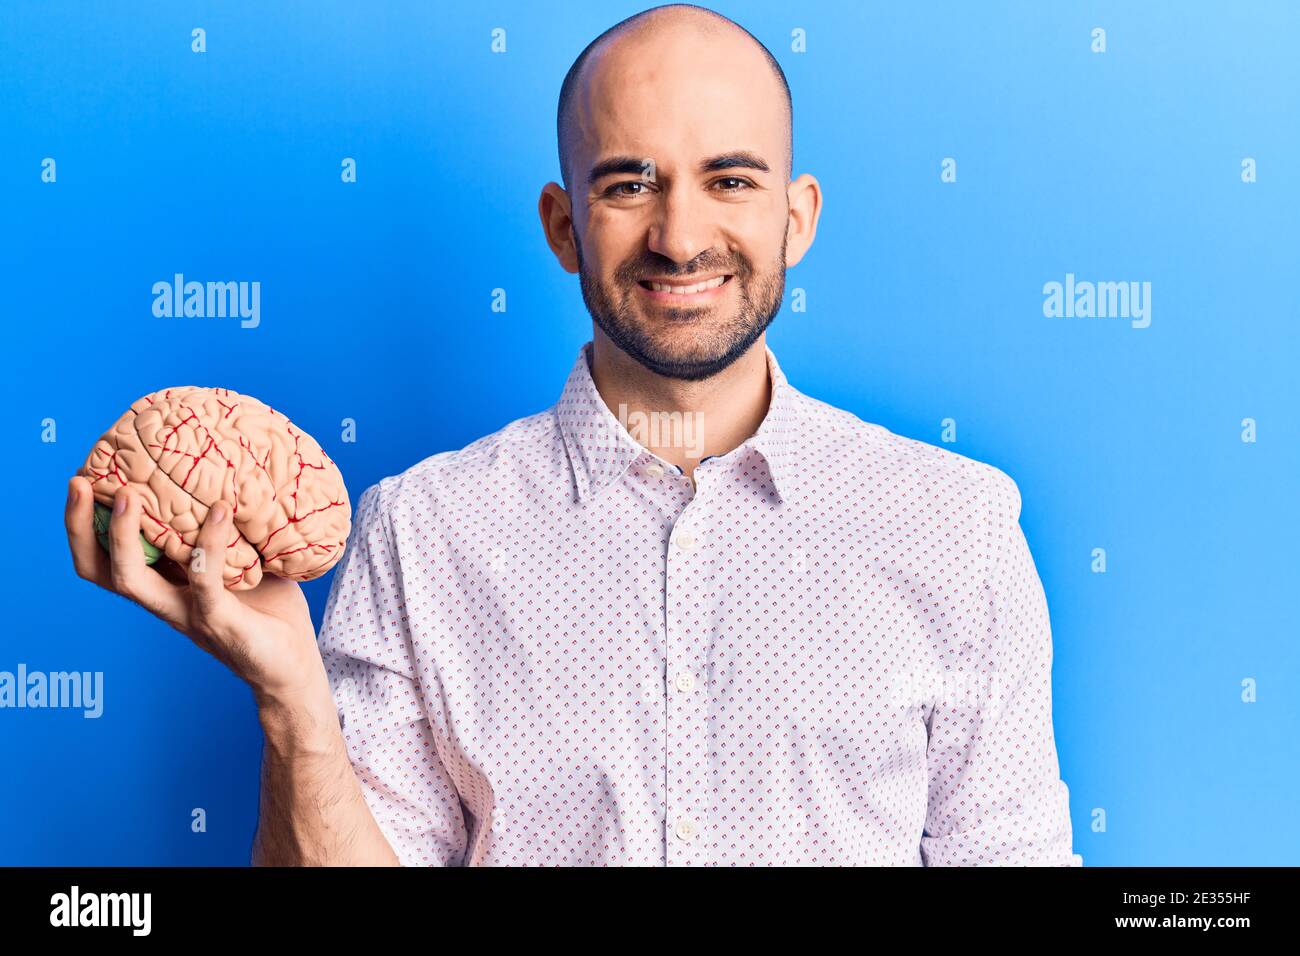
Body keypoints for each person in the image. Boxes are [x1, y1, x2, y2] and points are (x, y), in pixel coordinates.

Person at [64, 2, 1080, 866]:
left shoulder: (957, 527)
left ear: (795, 218)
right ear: (561, 226)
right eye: (628, 183)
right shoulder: (421, 531)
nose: (680, 236)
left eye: (729, 180)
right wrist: (290, 693)